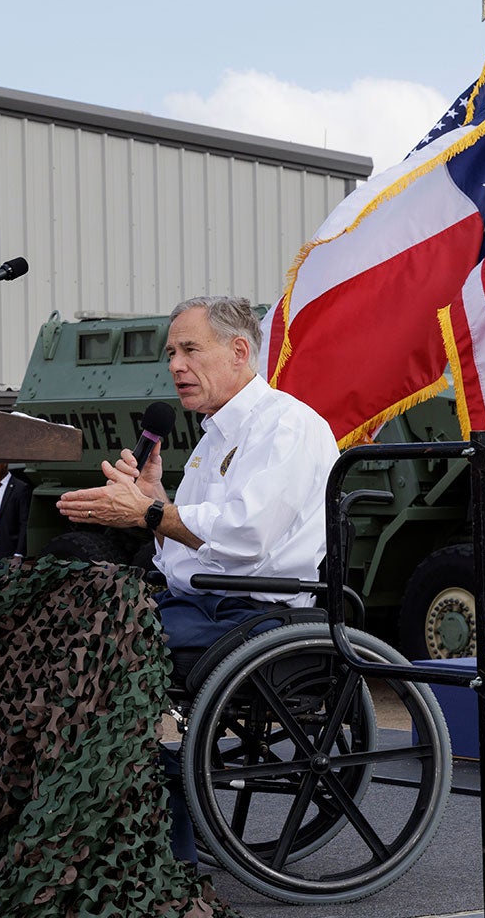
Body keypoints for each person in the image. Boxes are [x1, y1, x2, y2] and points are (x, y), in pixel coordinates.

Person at [56, 295, 338, 861]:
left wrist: (146, 514)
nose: (175, 366)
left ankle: (164, 852)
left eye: (189, 350)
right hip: (207, 605)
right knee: (76, 622)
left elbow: (245, 537)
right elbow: (188, 553)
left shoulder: (287, 425)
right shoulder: (214, 438)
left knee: (105, 649)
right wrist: (154, 499)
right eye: (170, 353)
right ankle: (109, 829)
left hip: (261, 616)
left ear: (239, 351)